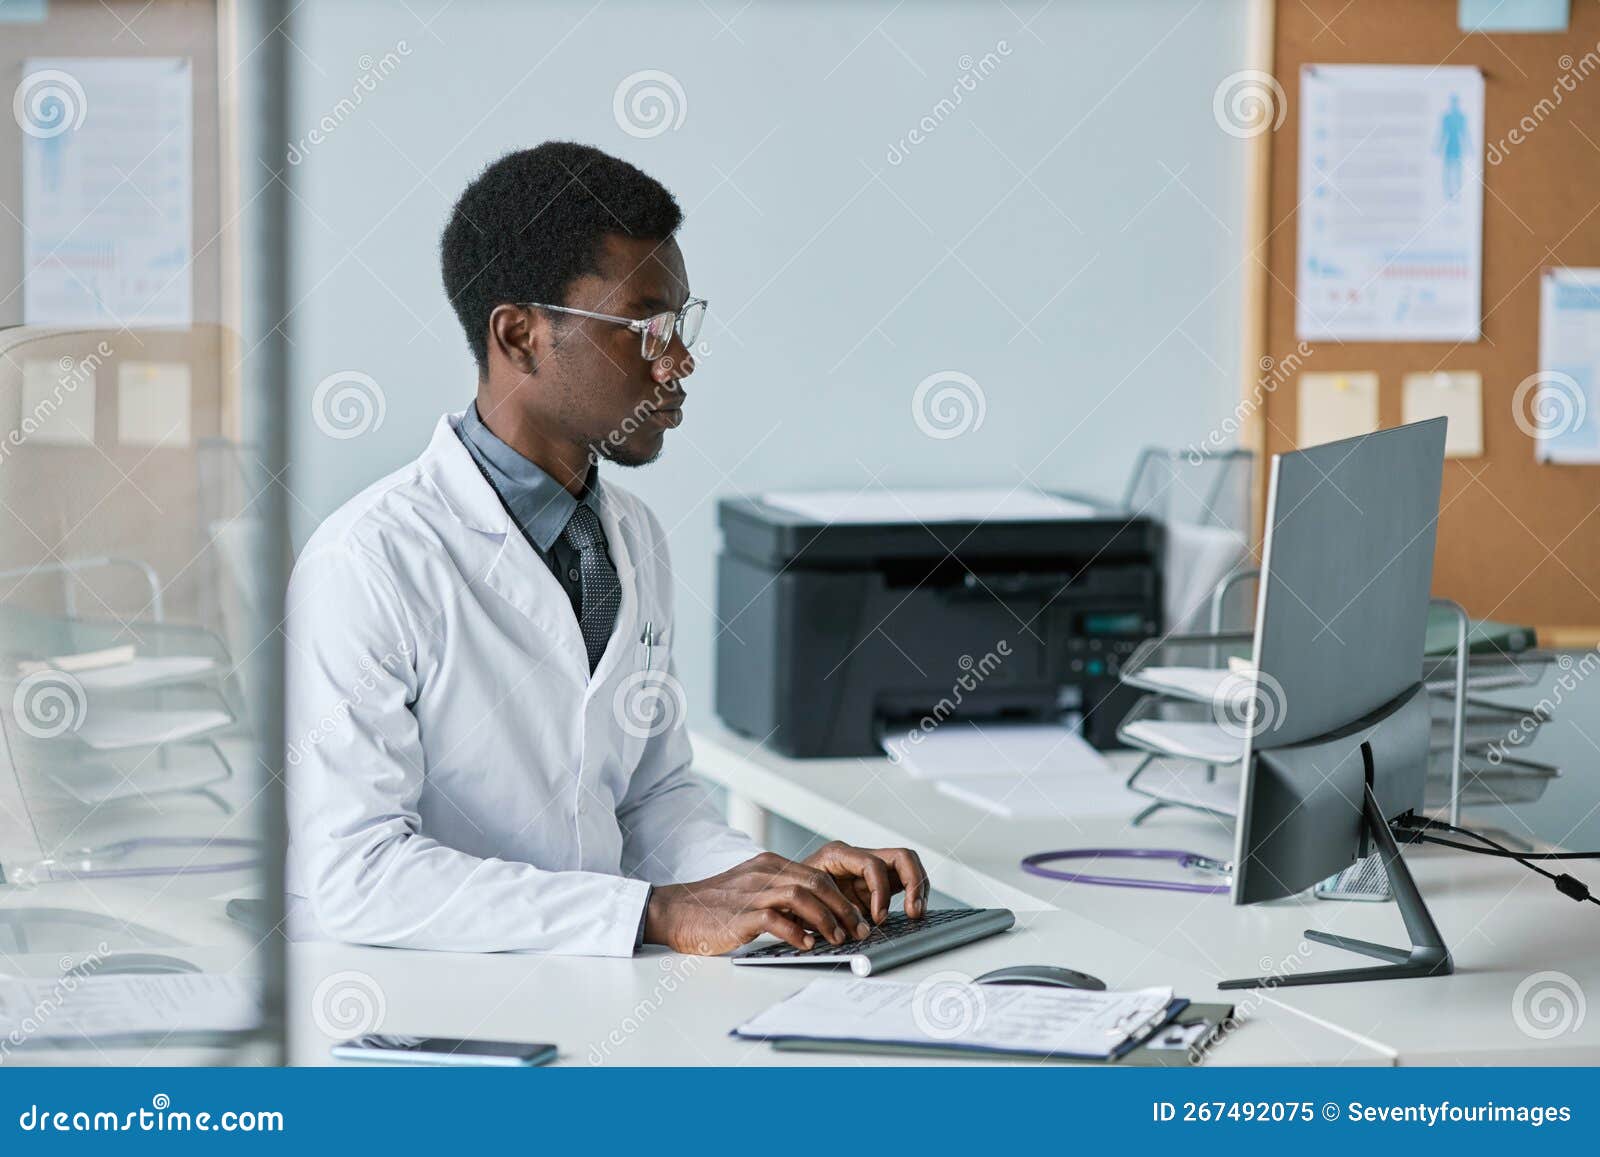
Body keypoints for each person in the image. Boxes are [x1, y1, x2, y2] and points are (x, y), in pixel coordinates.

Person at [284, 142, 928, 956]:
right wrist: (649, 913)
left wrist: (771, 883)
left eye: (684, 323)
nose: (681, 360)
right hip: (425, 1014)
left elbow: (650, 801)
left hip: (605, 993)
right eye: (649, 327)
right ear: (520, 336)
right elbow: (360, 872)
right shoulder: (368, 563)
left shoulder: (632, 538)